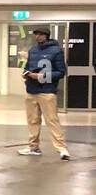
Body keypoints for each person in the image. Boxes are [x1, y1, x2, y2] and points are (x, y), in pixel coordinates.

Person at [18, 27, 69, 160]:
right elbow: (27, 67)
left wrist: (41, 76)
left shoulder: (56, 51)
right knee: (33, 120)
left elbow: (61, 72)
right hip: (31, 90)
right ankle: (33, 147)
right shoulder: (33, 50)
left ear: (46, 36)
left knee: (52, 120)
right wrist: (26, 73)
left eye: (40, 34)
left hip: (47, 91)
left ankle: (62, 148)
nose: (37, 37)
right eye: (36, 34)